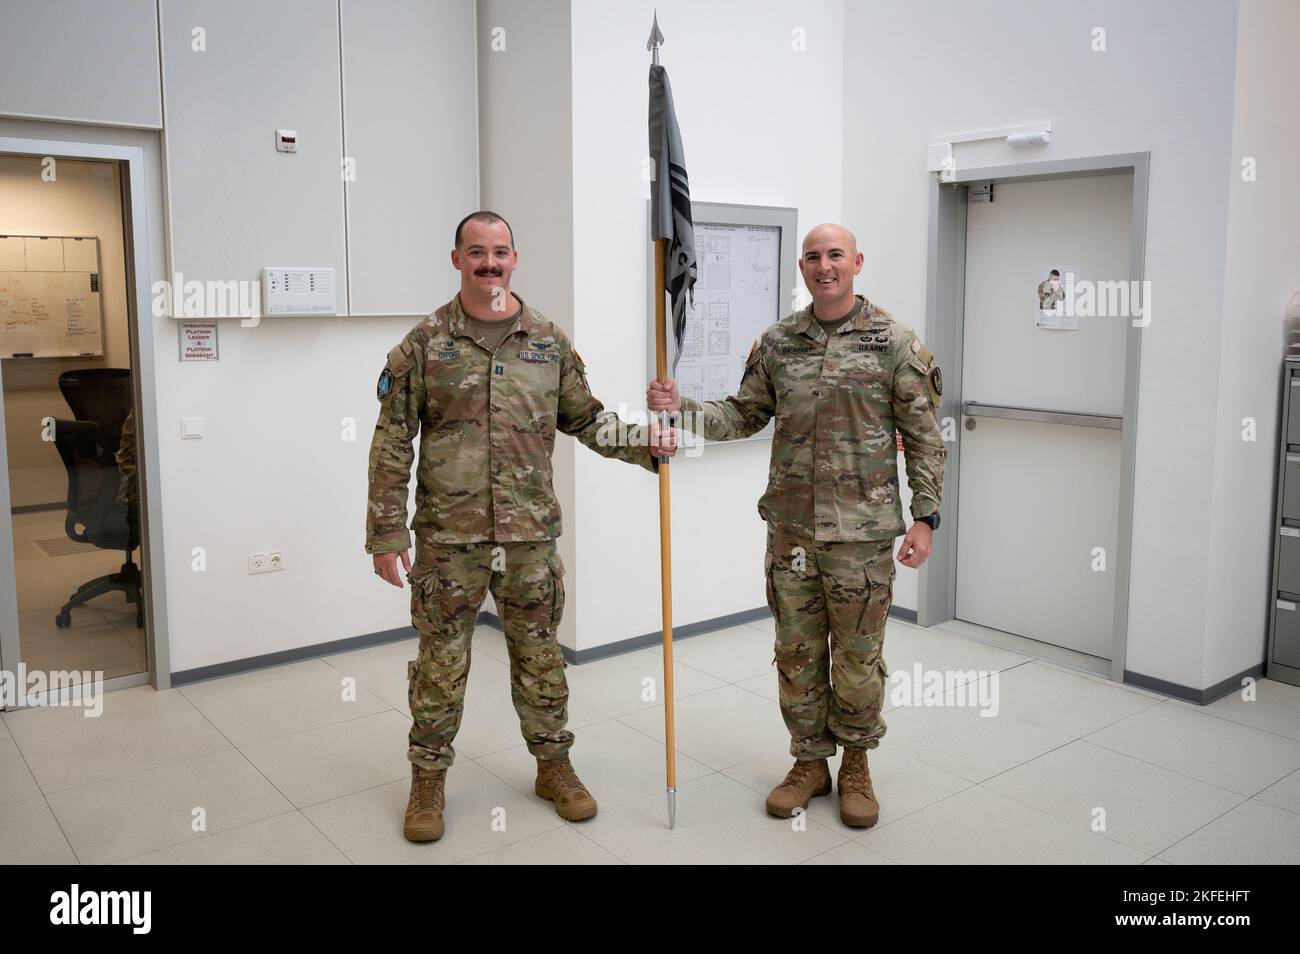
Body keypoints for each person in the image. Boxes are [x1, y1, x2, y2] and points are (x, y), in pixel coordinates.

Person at [368, 211, 677, 842]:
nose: (489, 263)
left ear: (515, 259)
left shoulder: (547, 342)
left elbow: (585, 419)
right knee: (441, 664)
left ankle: (553, 765)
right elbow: (393, 439)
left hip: (529, 538)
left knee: (540, 659)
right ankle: (427, 779)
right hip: (448, 541)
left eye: (500, 252)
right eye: (476, 252)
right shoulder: (425, 344)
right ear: (456, 258)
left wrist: (644, 443)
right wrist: (386, 532)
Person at [647, 223, 945, 828]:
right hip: (792, 533)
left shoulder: (895, 342)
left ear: (857, 261)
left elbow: (923, 437)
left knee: (858, 657)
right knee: (797, 653)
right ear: (802, 269)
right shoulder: (779, 343)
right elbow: (742, 415)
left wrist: (926, 517)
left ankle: (857, 763)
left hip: (862, 535)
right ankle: (809, 762)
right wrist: (683, 407)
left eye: (835, 255)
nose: (824, 266)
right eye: (813, 257)